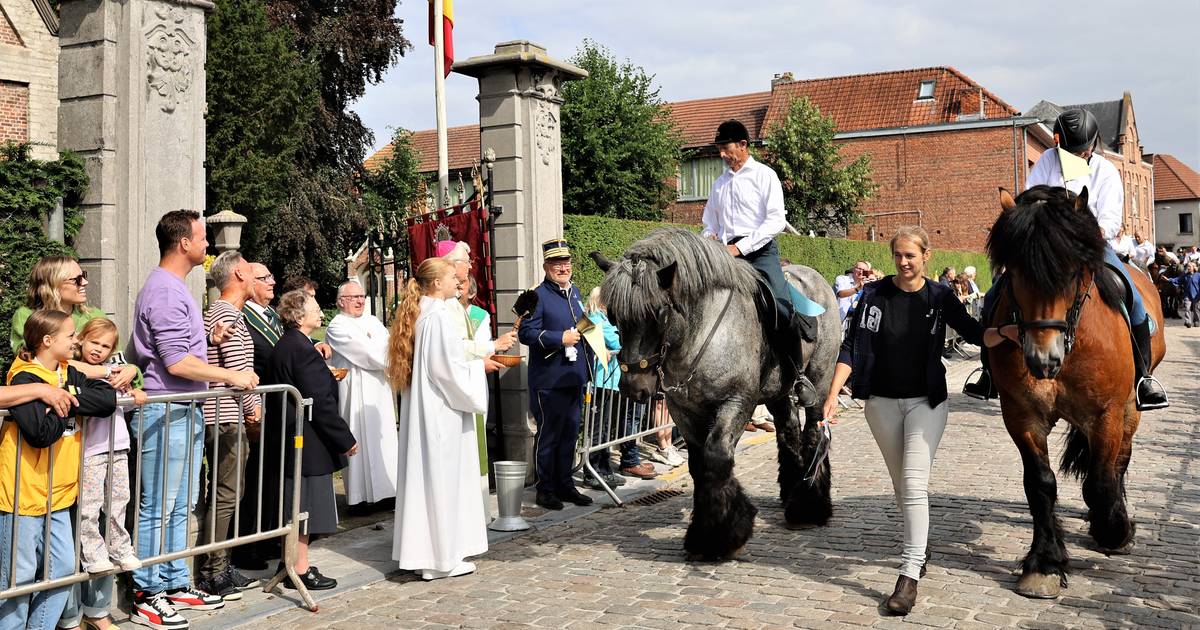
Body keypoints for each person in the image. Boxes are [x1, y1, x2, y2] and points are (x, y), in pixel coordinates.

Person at [821, 226, 1016, 616]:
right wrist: (831, 396)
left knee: (913, 483)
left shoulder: (940, 295)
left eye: (911, 255)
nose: (904, 262)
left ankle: (909, 573)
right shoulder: (875, 296)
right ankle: (919, 544)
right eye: (898, 255)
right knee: (901, 486)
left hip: (927, 402)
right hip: (880, 403)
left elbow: (975, 333)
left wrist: (1008, 332)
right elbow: (851, 347)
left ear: (926, 255)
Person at [964, 109, 1168, 410]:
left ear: (1091, 145)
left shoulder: (1106, 171)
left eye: (1080, 150)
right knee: (997, 291)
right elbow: (1032, 198)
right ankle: (988, 371)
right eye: (1069, 150)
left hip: (1090, 244)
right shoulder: (1047, 160)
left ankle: (1143, 376)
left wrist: (1081, 234)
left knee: (1130, 291)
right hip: (1048, 245)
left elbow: (1110, 221)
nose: (1074, 155)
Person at [126, 210, 258, 628]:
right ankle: (148, 592)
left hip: (184, 409)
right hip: (165, 412)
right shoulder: (164, 291)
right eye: (202, 237)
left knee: (181, 506)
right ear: (184, 243)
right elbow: (176, 361)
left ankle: (174, 580)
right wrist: (230, 376)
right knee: (159, 507)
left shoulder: (175, 288)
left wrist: (210, 340)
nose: (207, 245)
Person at [1, 310, 117, 630]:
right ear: (48, 341)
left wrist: (65, 397)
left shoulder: (67, 372)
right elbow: (40, 434)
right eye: (70, 335)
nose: (76, 340)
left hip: (59, 493)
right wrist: (58, 401)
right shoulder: (24, 376)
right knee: (19, 577)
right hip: (22, 492)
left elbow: (106, 400)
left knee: (64, 569)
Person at [701, 119, 817, 403]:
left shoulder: (765, 175)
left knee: (780, 306)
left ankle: (796, 374)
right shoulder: (718, 184)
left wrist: (740, 248)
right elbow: (708, 222)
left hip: (760, 251)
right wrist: (709, 239)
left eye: (725, 149)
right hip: (725, 253)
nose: (722, 155)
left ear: (742, 145)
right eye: (719, 150)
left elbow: (775, 220)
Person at [388, 258, 489, 580]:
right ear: (435, 284)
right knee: (442, 482)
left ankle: (429, 555)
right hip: (441, 412)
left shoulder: (425, 314)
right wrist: (479, 369)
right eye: (451, 278)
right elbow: (446, 371)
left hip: (432, 408)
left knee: (429, 482)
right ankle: (442, 558)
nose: (458, 283)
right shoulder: (439, 318)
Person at [265, 290, 358, 591]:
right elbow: (319, 400)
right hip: (306, 438)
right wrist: (345, 438)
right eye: (316, 309)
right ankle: (299, 568)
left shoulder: (292, 345)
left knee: (297, 502)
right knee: (302, 505)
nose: (320, 313)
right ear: (300, 316)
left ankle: (290, 561)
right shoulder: (300, 348)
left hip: (295, 435)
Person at [194, 251, 262, 601]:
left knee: (224, 493)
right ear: (238, 273)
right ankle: (213, 571)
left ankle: (219, 564)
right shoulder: (225, 314)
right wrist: (254, 413)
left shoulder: (222, 313)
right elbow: (239, 375)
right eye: (252, 272)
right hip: (226, 417)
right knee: (226, 494)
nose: (256, 278)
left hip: (222, 415)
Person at [517, 239, 596, 511]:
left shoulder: (574, 293)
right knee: (549, 435)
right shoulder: (536, 295)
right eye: (556, 263)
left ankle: (566, 484)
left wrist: (592, 331)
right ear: (545, 266)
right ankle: (545, 488)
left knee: (570, 434)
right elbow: (526, 333)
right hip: (549, 379)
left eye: (566, 262)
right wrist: (558, 337)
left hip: (574, 376)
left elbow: (580, 325)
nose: (563, 267)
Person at [324, 280, 399, 515]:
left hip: (379, 390)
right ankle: (359, 498)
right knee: (357, 437)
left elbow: (389, 345)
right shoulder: (336, 326)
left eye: (362, 297)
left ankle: (388, 493)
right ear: (341, 301)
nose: (359, 301)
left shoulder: (373, 321)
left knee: (383, 438)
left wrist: (383, 352)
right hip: (354, 391)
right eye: (353, 297)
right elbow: (367, 353)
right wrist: (385, 355)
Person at [10, 256, 139, 390]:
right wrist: (106, 372)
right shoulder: (28, 316)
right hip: (48, 402)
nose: (85, 282)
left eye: (83, 275)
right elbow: (38, 363)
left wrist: (132, 370)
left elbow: (116, 359)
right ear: (53, 284)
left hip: (93, 400)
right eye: (76, 280)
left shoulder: (94, 316)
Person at [583, 288, 655, 490]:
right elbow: (618, 342)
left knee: (605, 429)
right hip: (600, 381)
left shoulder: (604, 319)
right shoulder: (596, 319)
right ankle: (596, 470)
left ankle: (604, 469)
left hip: (611, 382)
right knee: (599, 429)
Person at [1171, 262, 1200, 327]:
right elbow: (1177, 280)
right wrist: (1169, 280)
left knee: (1196, 309)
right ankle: (1188, 322)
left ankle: (1196, 321)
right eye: (1187, 266)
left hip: (1196, 295)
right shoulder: (1185, 275)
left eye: (1189, 266)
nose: (1188, 268)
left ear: (1194, 268)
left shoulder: (1198, 275)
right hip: (1187, 295)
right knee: (1187, 308)